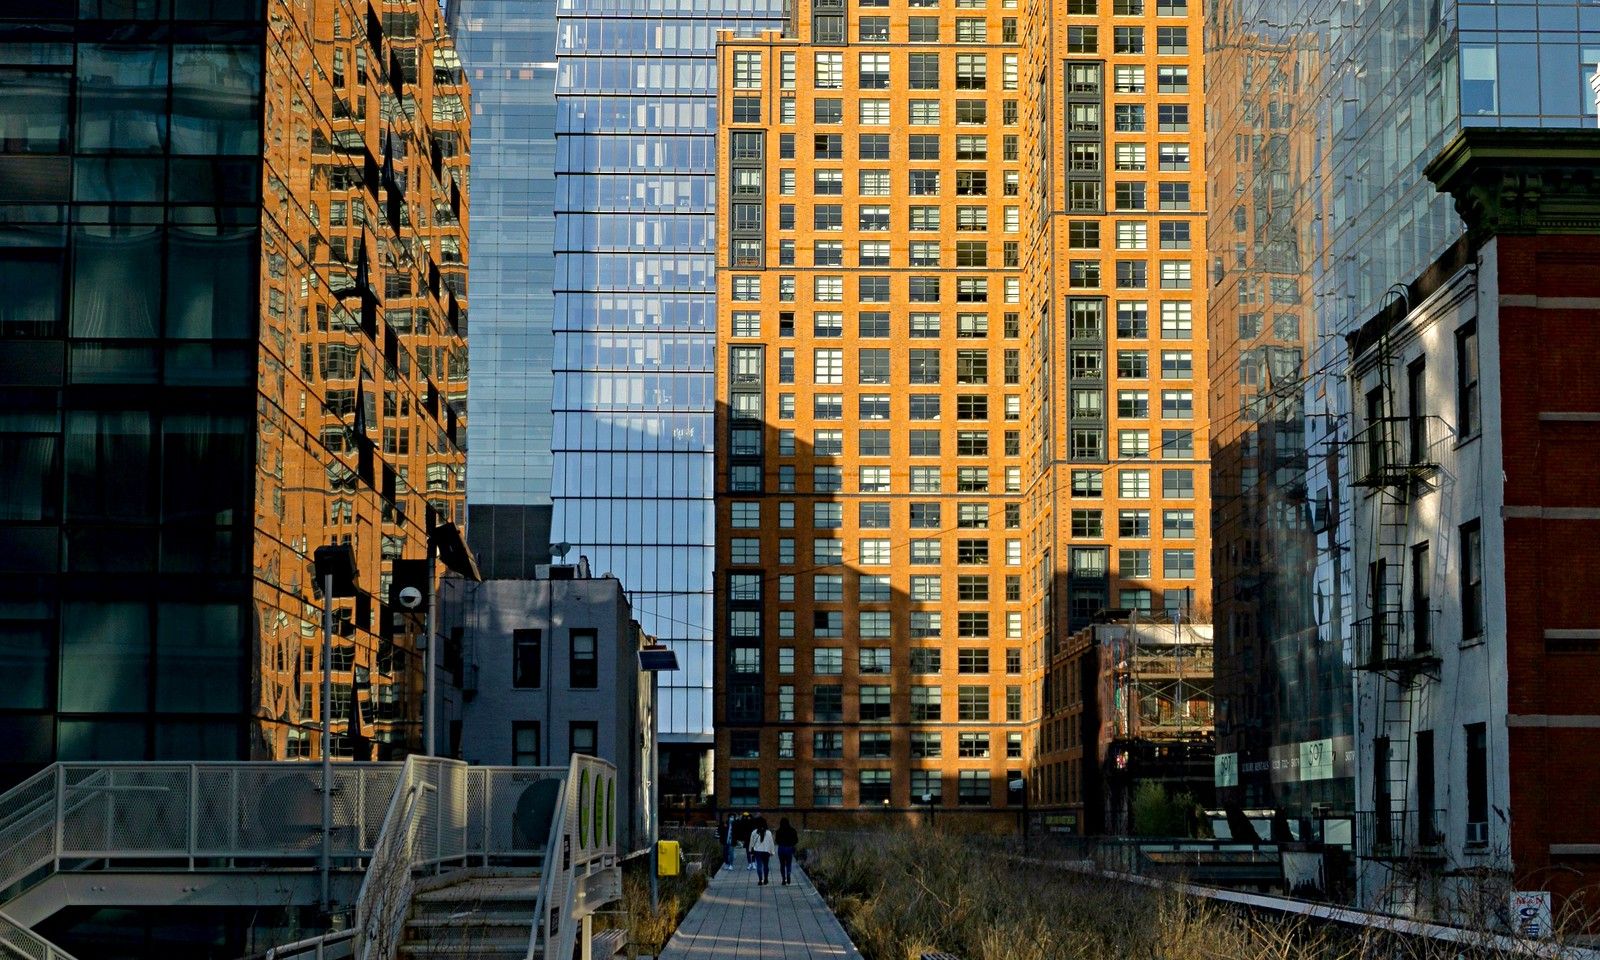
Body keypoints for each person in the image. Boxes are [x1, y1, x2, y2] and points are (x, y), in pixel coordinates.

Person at [748, 816, 777, 885]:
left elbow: (751, 843)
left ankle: (760, 880)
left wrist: (750, 851)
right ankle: (766, 879)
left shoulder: (754, 832)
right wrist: (772, 851)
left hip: (757, 852)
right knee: (766, 866)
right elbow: (771, 843)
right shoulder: (768, 832)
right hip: (766, 851)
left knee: (759, 866)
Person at [775, 817, 799, 885]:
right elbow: (796, 840)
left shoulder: (778, 831)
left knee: (782, 864)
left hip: (781, 848)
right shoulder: (792, 830)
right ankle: (788, 874)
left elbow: (777, 841)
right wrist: (792, 844)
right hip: (789, 848)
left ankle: (783, 879)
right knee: (789, 863)